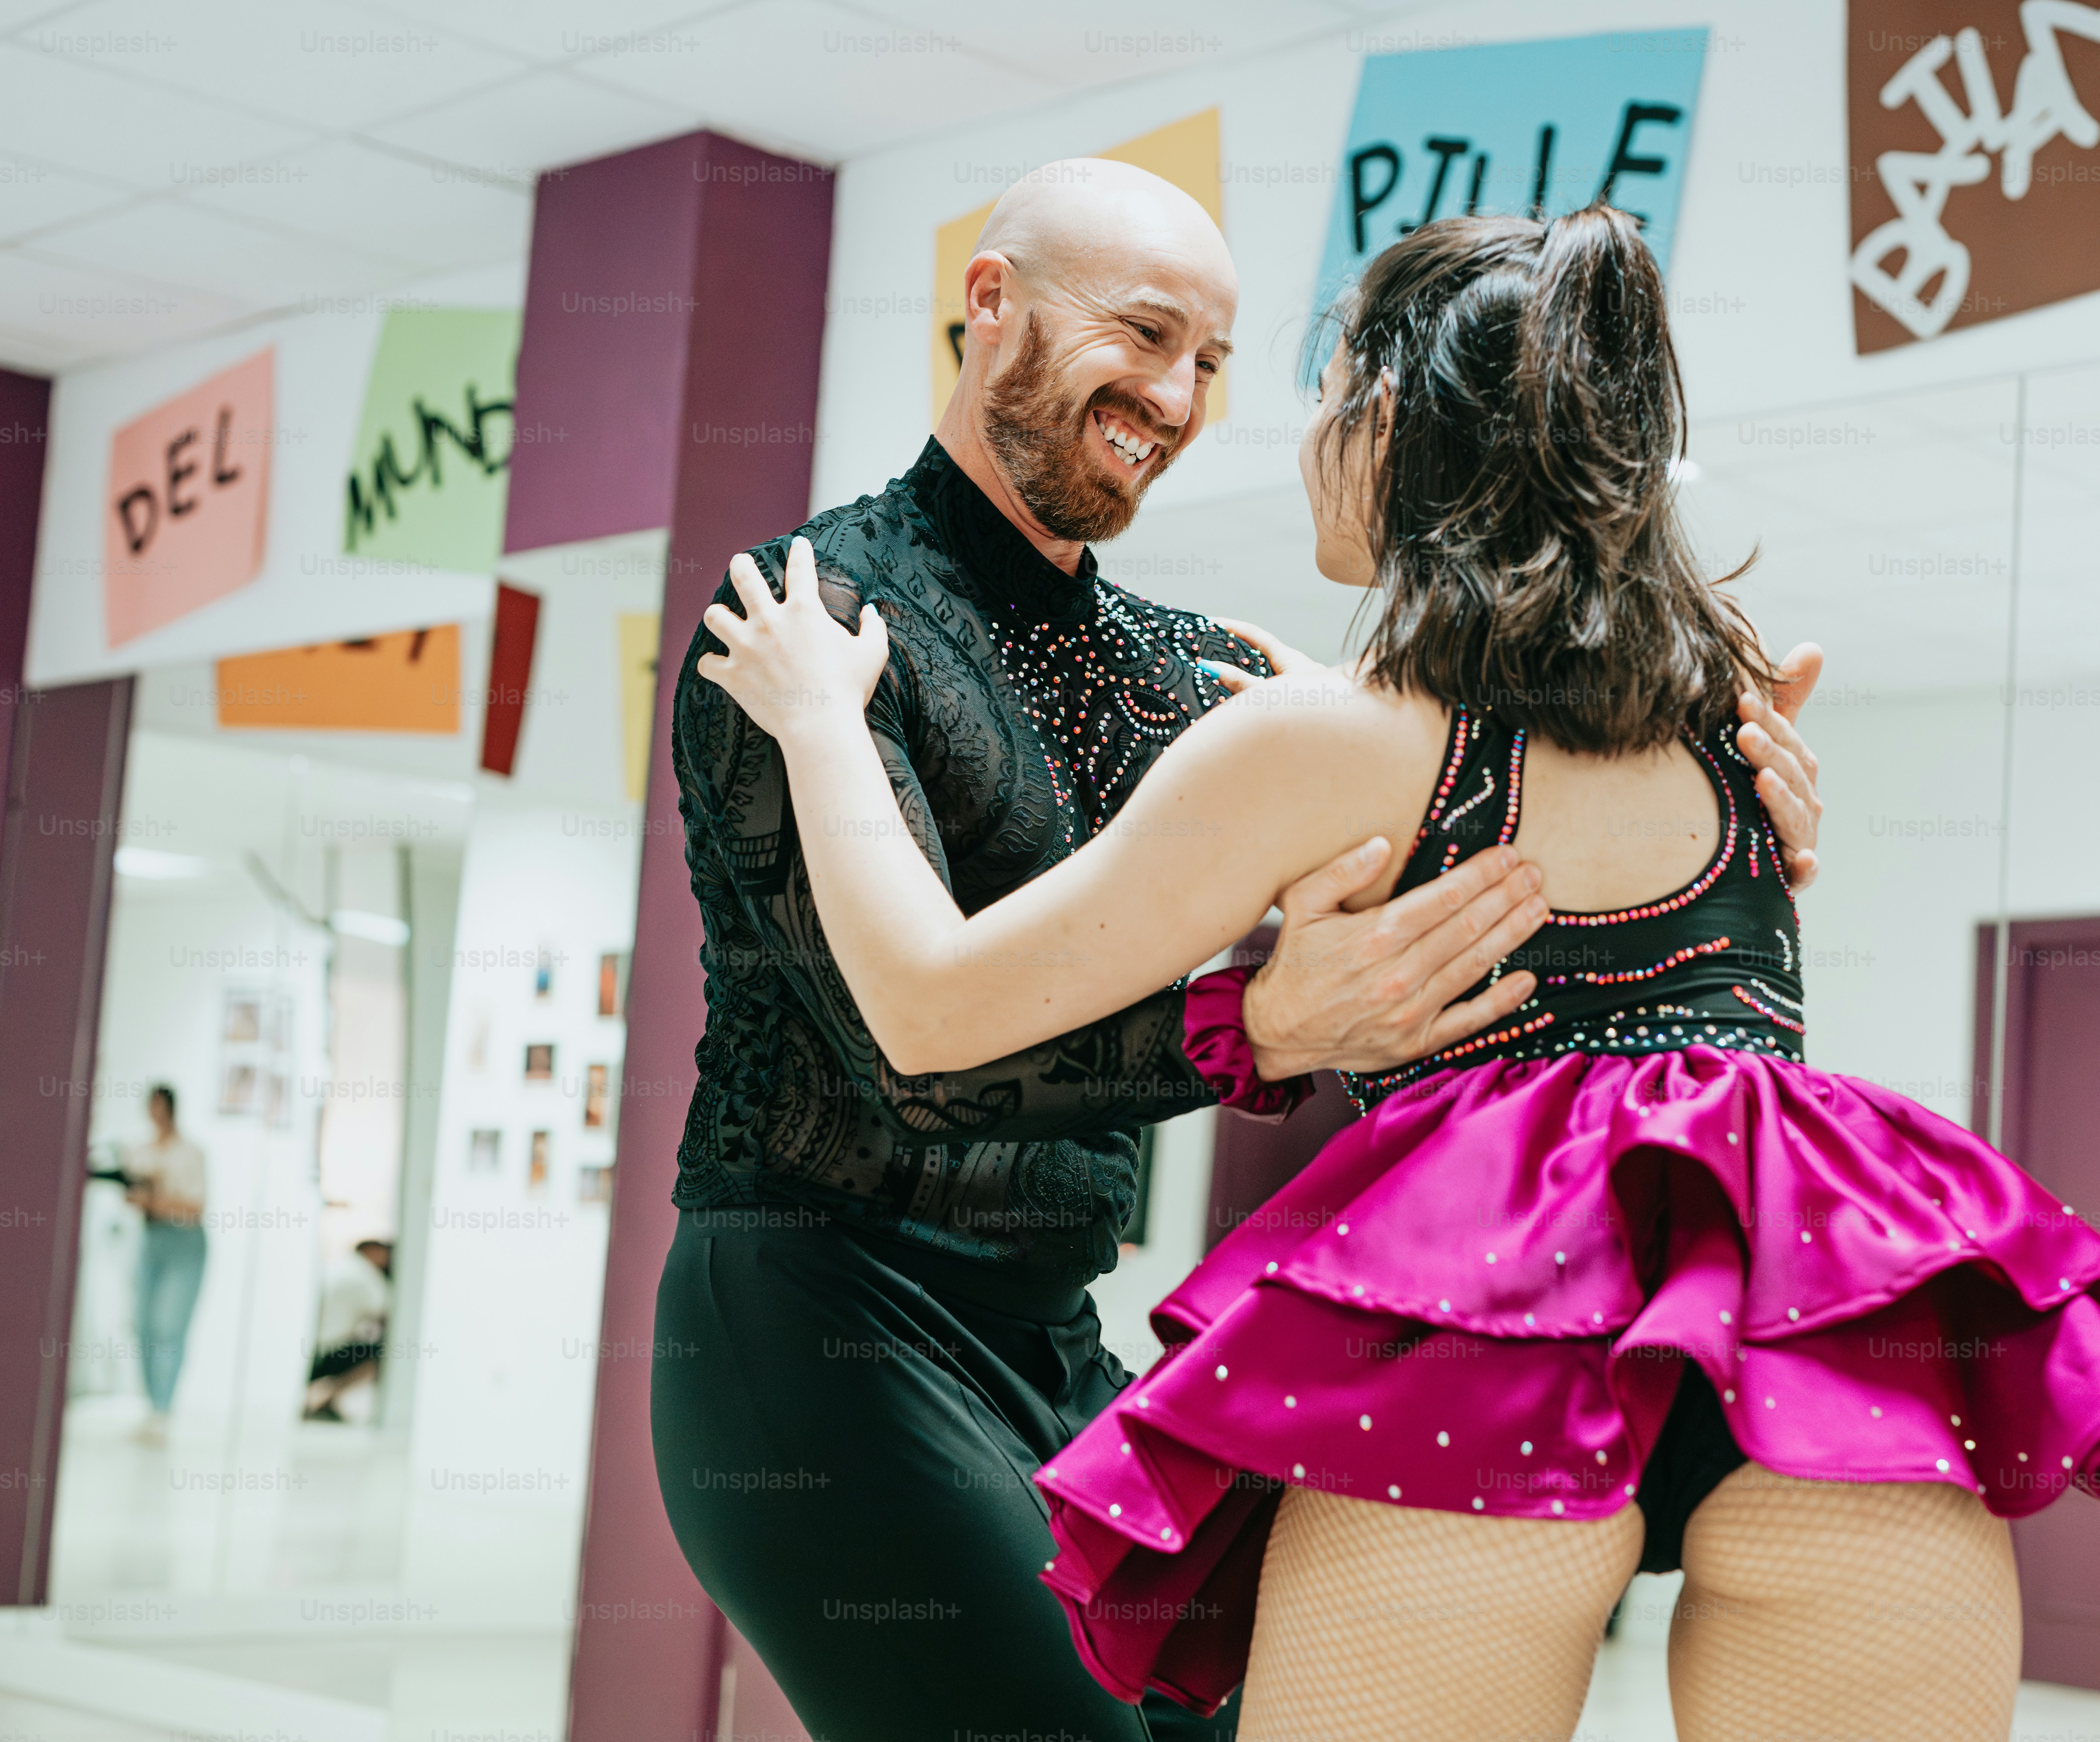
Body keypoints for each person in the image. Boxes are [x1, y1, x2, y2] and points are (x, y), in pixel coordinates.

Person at [700, 204, 2100, 1741]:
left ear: (1404, 430)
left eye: (1328, 385)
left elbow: (929, 1002)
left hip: (1492, 1367)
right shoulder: (1737, 724)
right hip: (1834, 1362)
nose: (1292, 427)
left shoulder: (1329, 740)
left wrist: (831, 722)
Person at [657, 155, 1838, 1742]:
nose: (1178, 394)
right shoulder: (807, 622)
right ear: (989, 304)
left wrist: (1713, 775)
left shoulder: (1195, 667)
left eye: (1212, 360)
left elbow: (1465, 751)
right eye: (1142, 334)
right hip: (816, 1322)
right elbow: (910, 1048)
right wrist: (1255, 1028)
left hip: (1053, 1325)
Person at [122, 1084, 206, 1447]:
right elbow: (132, 1196)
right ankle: (150, 1404)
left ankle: (163, 1408)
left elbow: (194, 1206)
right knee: (142, 1325)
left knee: (169, 1325)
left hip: (184, 1241)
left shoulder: (190, 1153)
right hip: (150, 1240)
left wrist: (156, 1199)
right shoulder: (139, 1152)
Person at [304, 1239, 392, 1420]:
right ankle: (324, 1397)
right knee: (390, 1354)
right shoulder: (365, 1274)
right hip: (322, 1353)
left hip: (312, 1348)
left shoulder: (342, 1266)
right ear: (371, 1250)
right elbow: (394, 1319)